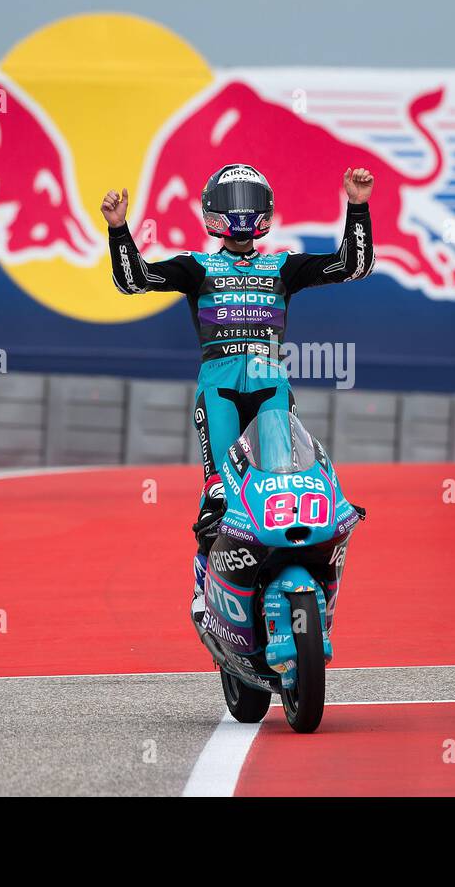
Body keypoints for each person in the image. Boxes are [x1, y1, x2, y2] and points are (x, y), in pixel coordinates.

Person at [101, 163, 375, 621]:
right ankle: (203, 586)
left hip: (271, 389)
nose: (241, 216)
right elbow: (134, 280)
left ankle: (291, 586)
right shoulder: (196, 266)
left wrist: (358, 206)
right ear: (214, 213)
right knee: (218, 501)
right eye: (233, 206)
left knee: (286, 489)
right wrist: (118, 230)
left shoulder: (284, 264)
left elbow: (353, 266)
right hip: (219, 391)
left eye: (248, 205)